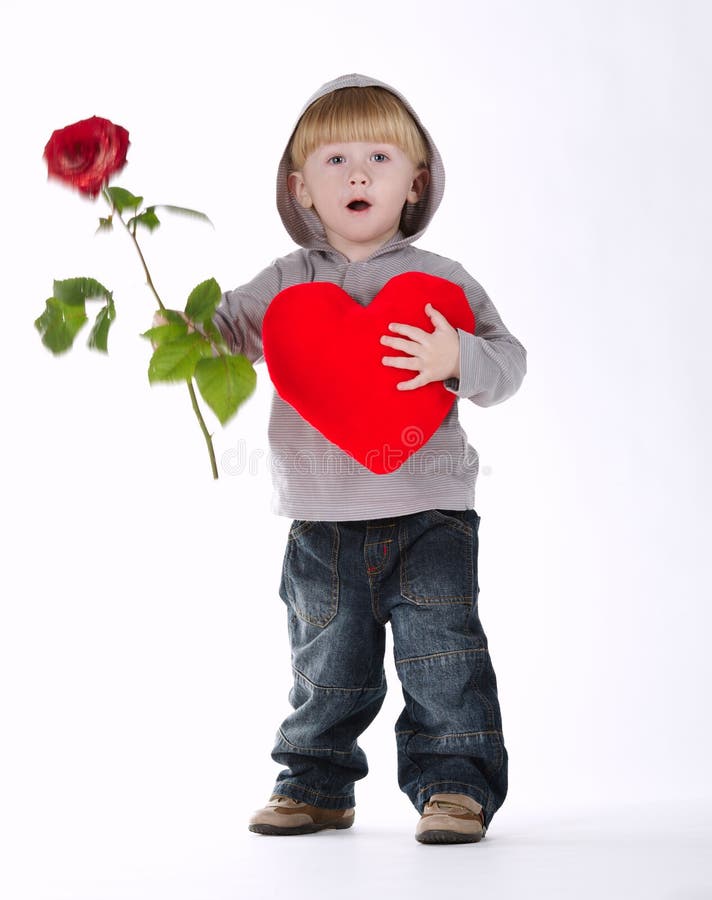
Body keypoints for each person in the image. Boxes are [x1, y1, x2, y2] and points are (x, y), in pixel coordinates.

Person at [214, 73, 527, 844]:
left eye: (381, 157)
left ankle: (456, 785)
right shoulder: (285, 282)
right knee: (327, 664)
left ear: (415, 182)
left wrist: (457, 354)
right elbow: (226, 333)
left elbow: (508, 363)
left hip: (432, 515)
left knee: (444, 656)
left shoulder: (439, 283)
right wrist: (181, 323)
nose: (359, 173)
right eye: (336, 160)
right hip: (322, 520)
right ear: (302, 190)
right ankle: (314, 783)